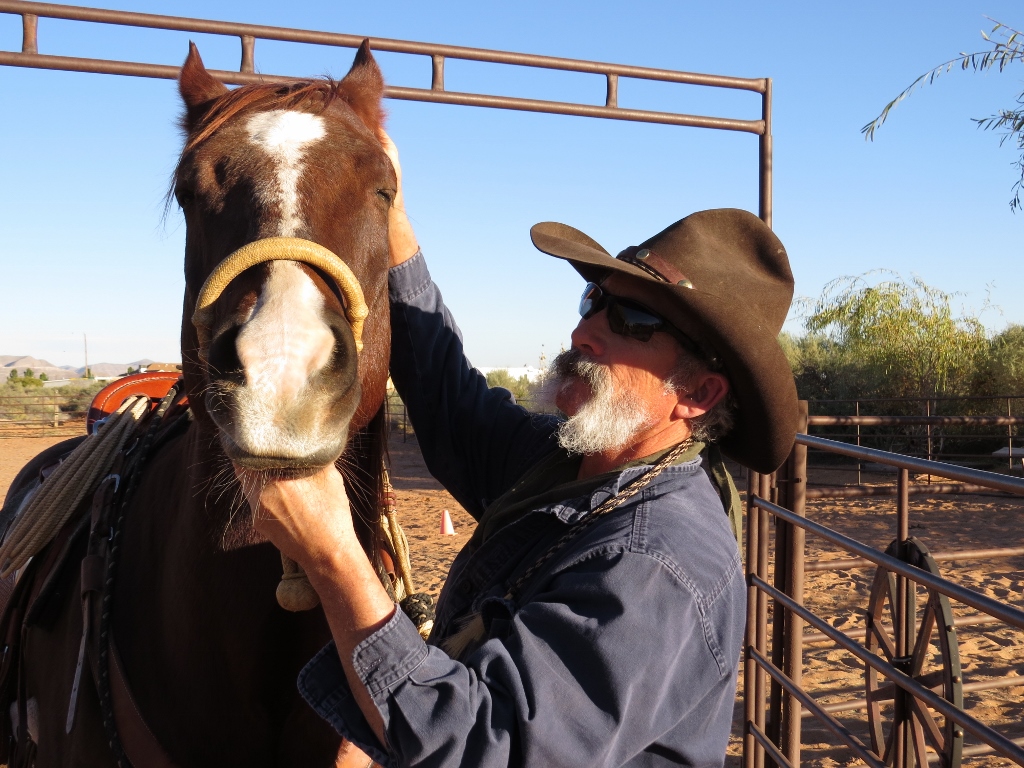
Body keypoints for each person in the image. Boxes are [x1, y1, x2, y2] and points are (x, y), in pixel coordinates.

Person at [240, 137, 799, 767]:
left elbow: (485, 748)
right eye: (595, 302)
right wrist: (395, 220)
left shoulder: (654, 563)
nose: (583, 333)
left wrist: (331, 555)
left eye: (634, 322)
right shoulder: (577, 465)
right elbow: (452, 403)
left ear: (697, 393)